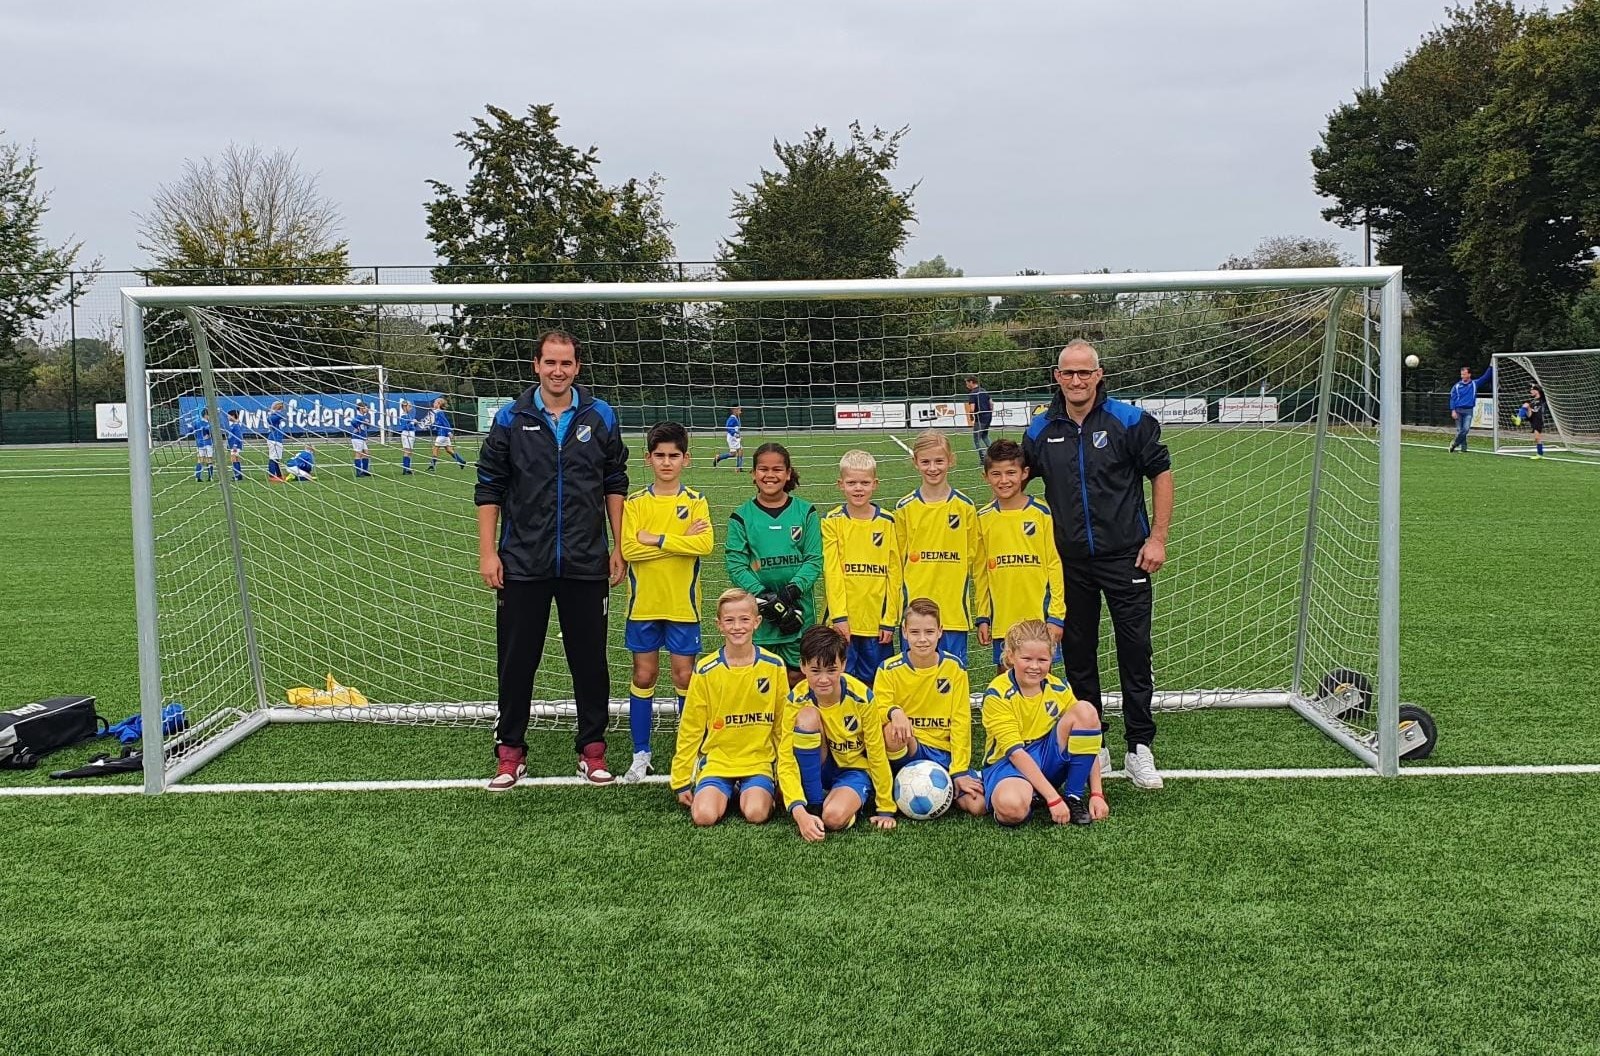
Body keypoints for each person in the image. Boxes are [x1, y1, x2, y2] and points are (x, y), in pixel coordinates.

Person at [475, 329, 629, 790]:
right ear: (536, 366)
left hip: (585, 561)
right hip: (523, 560)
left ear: (577, 367)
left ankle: (592, 749)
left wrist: (618, 546)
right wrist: (488, 552)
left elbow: (614, 482)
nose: (557, 371)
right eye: (549, 363)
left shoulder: (600, 415)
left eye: (566, 363)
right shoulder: (511, 417)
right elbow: (489, 486)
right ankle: (510, 751)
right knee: (518, 660)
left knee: (590, 661)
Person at [1023, 339, 1172, 790]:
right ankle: (1095, 742)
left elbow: (1161, 475)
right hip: (1070, 563)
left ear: (1099, 373)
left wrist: (1158, 538)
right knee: (1079, 654)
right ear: (1056, 376)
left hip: (1127, 555)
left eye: (1084, 372)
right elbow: (1016, 480)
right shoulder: (1040, 429)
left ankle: (1139, 746)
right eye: (1068, 373)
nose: (1076, 380)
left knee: (1134, 651)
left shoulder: (1130, 421)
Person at [618, 422, 714, 783]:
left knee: (684, 677)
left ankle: (687, 753)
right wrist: (678, 541)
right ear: (649, 458)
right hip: (643, 606)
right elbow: (629, 549)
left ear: (686, 459)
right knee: (644, 675)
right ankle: (641, 753)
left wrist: (655, 539)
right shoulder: (636, 503)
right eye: (660, 455)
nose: (667, 462)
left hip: (682, 607)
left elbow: (704, 545)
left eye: (674, 455)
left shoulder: (695, 501)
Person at [670, 589, 788, 826]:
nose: (737, 627)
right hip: (719, 762)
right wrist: (681, 779)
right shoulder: (705, 670)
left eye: (744, 619)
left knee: (757, 814)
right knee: (703, 816)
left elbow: (782, 726)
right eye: (729, 620)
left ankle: (752, 792)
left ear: (757, 622)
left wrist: (785, 778)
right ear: (719, 625)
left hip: (758, 762)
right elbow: (691, 727)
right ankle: (725, 789)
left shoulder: (774, 666)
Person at [980, 620, 1109, 826]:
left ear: (1052, 658)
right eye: (1027, 658)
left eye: (1042, 659)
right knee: (1011, 808)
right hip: (1009, 763)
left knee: (1086, 710)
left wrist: (1096, 793)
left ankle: (1073, 797)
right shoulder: (997, 694)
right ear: (1011, 656)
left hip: (1048, 758)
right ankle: (1030, 795)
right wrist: (1052, 798)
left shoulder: (1058, 688)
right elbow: (1015, 753)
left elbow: (1088, 735)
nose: (1034, 666)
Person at [777, 625, 897, 840]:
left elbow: (876, 752)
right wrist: (799, 812)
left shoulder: (862, 698)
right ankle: (813, 804)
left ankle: (842, 802)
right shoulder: (796, 699)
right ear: (803, 666)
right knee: (807, 717)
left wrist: (885, 807)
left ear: (843, 664)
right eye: (815, 670)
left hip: (853, 769)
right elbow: (785, 759)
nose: (823, 679)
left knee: (833, 818)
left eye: (831, 670)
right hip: (819, 766)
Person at [875, 598, 985, 816]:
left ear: (940, 631)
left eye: (929, 632)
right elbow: (877, 708)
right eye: (915, 632)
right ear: (904, 632)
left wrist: (960, 769)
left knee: (978, 806)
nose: (922, 639)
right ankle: (896, 782)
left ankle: (946, 784)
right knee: (890, 731)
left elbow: (961, 721)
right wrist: (893, 711)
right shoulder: (888, 669)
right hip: (912, 744)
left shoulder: (954, 668)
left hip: (942, 752)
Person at [724, 442, 822, 685]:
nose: (770, 475)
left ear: (788, 473)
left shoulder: (806, 512)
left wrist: (791, 592)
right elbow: (736, 563)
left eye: (777, 469)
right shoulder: (741, 516)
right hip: (759, 615)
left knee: (798, 676)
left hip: (798, 612)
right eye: (763, 469)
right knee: (760, 679)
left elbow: (814, 558)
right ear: (754, 474)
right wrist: (764, 596)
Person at [975, 439, 1065, 668]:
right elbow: (981, 572)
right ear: (986, 476)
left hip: (1039, 619)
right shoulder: (983, 518)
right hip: (1002, 619)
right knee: (1005, 679)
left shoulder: (1041, 512)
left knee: (1040, 678)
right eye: (996, 474)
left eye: (1011, 473)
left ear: (1024, 473)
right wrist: (983, 616)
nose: (1004, 480)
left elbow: (1054, 565)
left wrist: (1056, 615)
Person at [894, 430, 979, 664]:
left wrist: (983, 613)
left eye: (939, 461)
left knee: (951, 684)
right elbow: (894, 566)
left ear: (951, 460)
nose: (933, 468)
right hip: (914, 620)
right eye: (926, 461)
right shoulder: (904, 509)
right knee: (913, 684)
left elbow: (977, 564)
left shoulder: (965, 508)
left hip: (952, 616)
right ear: (915, 462)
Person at [821, 449, 901, 685]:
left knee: (876, 683)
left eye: (864, 482)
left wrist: (889, 619)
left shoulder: (888, 522)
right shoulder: (833, 521)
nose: (858, 488)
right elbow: (832, 572)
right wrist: (839, 617)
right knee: (841, 680)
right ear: (840, 484)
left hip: (877, 624)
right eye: (852, 482)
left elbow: (894, 575)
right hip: (843, 622)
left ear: (875, 484)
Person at [1448, 365, 1493, 453]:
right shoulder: (1457, 386)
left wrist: (1491, 367)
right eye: (1461, 375)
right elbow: (1452, 398)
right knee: (1459, 430)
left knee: (1465, 429)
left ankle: (1455, 444)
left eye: (1464, 374)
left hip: (1468, 410)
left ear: (1469, 375)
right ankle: (1463, 448)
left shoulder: (1474, 384)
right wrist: (1453, 410)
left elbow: (1485, 377)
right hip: (1458, 410)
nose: (1462, 376)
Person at [429, 398, 469, 470]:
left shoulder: (439, 412)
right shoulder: (437, 412)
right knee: (449, 450)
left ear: (439, 404)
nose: (433, 404)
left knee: (435, 448)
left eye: (435, 402)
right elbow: (439, 423)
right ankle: (461, 461)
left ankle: (432, 465)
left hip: (442, 434)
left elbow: (445, 423)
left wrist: (449, 432)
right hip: (444, 434)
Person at [1519, 384, 1550, 459]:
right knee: (1526, 404)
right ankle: (1518, 418)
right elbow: (1531, 413)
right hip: (1532, 417)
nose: (1530, 391)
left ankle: (1540, 454)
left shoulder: (1542, 398)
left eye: (1532, 390)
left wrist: (1534, 385)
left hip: (1538, 419)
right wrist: (1529, 408)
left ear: (1537, 391)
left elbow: (1542, 390)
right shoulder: (1533, 401)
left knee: (1537, 438)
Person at [965, 376, 993, 458]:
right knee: (984, 436)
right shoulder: (984, 391)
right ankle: (996, 454)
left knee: (976, 439)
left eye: (967, 383)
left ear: (971, 382)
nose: (966, 385)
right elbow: (991, 403)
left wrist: (971, 416)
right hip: (988, 416)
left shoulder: (973, 393)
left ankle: (983, 458)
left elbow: (972, 408)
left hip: (980, 418)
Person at [712, 405, 743, 470]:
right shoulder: (732, 418)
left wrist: (738, 435)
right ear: (734, 410)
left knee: (740, 451)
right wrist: (735, 434)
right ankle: (719, 457)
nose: (741, 412)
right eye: (739, 410)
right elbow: (728, 427)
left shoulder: (735, 418)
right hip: (732, 438)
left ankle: (739, 467)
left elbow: (736, 428)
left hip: (735, 438)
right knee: (734, 453)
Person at [349, 399, 373, 477]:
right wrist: (357, 427)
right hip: (357, 437)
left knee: (366, 453)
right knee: (358, 454)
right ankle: (358, 472)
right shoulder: (359, 417)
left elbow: (367, 427)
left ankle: (365, 470)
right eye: (366, 408)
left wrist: (367, 423)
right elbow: (353, 422)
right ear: (361, 408)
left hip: (362, 438)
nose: (367, 409)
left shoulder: (363, 417)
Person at [396, 399, 421, 475]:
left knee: (409, 452)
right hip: (407, 434)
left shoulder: (408, 415)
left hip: (410, 434)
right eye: (409, 406)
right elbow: (405, 427)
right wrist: (413, 422)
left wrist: (413, 422)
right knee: (407, 451)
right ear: (404, 407)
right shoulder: (404, 416)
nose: (411, 408)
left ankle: (408, 468)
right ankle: (406, 469)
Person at [265, 401, 288, 482]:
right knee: (273, 457)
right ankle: (272, 476)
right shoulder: (273, 416)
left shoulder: (276, 415)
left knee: (277, 458)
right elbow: (271, 419)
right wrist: (276, 410)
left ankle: (279, 475)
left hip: (277, 439)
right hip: (273, 439)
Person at [191, 410, 214, 482]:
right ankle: (210, 477)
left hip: (199, 443)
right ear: (206, 415)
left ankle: (197, 477)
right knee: (209, 460)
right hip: (207, 443)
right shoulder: (208, 424)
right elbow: (209, 432)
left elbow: (193, 431)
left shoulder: (197, 422)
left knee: (200, 460)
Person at [223, 409, 245, 482]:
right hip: (233, 445)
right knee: (236, 459)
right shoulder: (233, 425)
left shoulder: (236, 425)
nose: (228, 417)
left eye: (229, 416)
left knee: (234, 459)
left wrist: (235, 445)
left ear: (233, 416)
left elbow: (238, 436)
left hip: (235, 445)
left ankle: (237, 475)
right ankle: (238, 475)